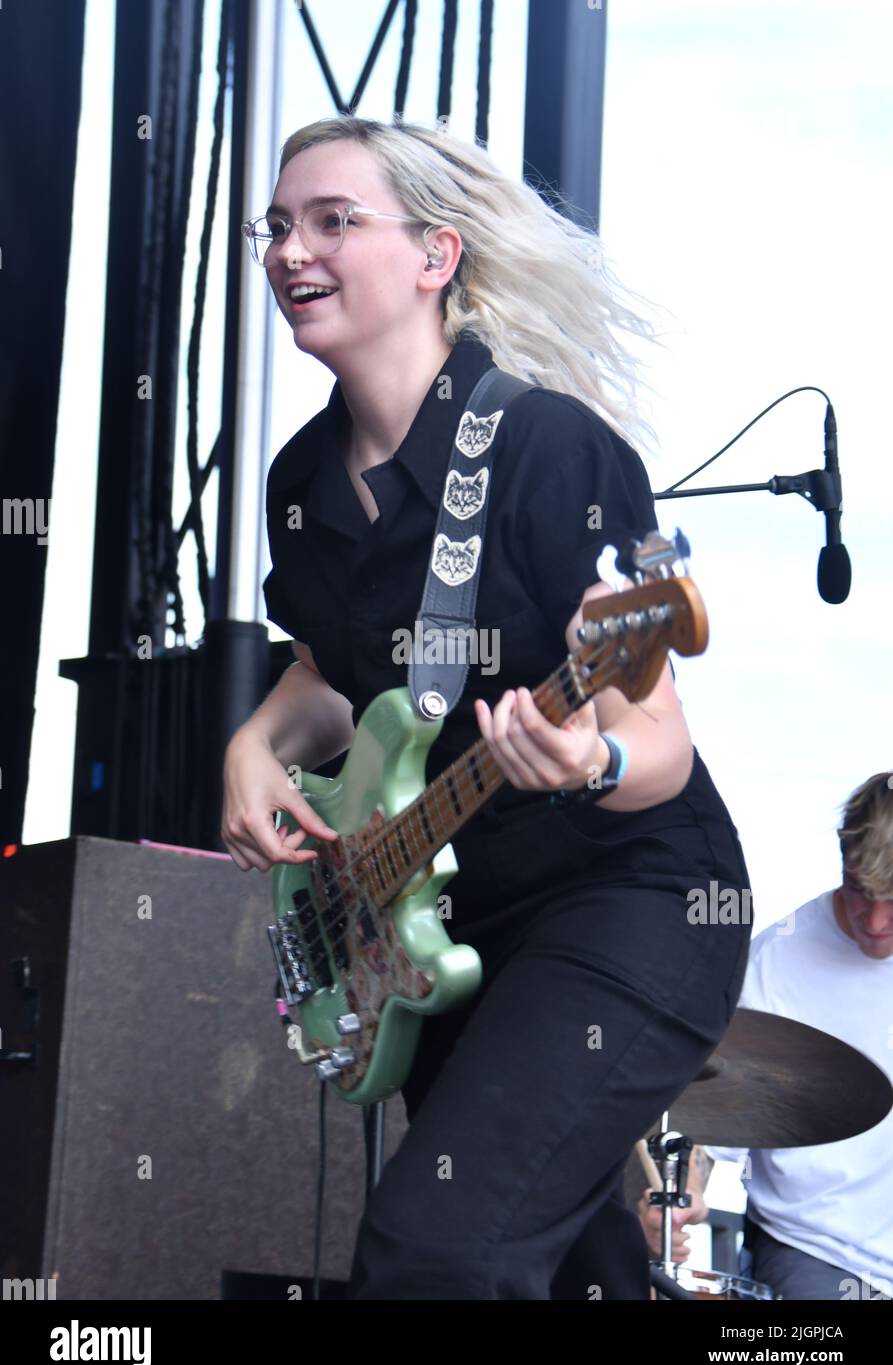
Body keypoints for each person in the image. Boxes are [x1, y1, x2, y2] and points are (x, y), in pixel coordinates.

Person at [221, 115, 752, 1300]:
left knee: (433, 1254)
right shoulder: (298, 486)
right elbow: (334, 669)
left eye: (332, 221)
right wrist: (255, 744)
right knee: (576, 1272)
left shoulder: (545, 449)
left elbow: (658, 742)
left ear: (435, 256)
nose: (289, 249)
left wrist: (588, 756)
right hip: (445, 928)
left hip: (626, 903)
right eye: (278, 226)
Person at [637, 772, 893, 1300]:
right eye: (860, 892)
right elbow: (712, 1118)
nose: (875, 920)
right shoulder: (772, 966)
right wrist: (683, 1191)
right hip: (821, 1250)